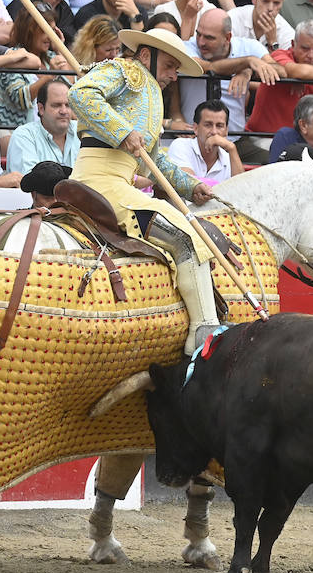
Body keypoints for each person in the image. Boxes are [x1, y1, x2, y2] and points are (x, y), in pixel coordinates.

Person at [67, 26, 219, 355]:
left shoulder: (148, 91)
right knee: (186, 234)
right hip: (99, 181)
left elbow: (154, 158)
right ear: (146, 55)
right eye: (169, 65)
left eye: (177, 69)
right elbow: (81, 94)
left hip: (116, 183)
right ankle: (204, 331)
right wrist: (121, 132)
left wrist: (191, 186)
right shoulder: (126, 70)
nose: (173, 76)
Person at [175, 6, 281, 158]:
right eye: (199, 34)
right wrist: (247, 63)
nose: (201, 42)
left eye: (209, 38)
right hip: (193, 141)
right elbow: (208, 68)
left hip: (235, 141)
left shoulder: (248, 47)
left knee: (272, 166)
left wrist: (248, 72)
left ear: (228, 37)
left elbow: (279, 70)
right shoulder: (187, 47)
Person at [5, 79, 79, 174]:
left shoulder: (83, 131)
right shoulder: (24, 136)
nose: (64, 111)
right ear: (41, 109)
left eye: (68, 105)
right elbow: (28, 183)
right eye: (56, 105)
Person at [167, 98, 244, 184]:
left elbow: (242, 191)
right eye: (208, 125)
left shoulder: (229, 158)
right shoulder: (181, 145)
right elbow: (189, 184)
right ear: (196, 128)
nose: (214, 132)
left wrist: (231, 148)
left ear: (226, 131)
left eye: (219, 126)